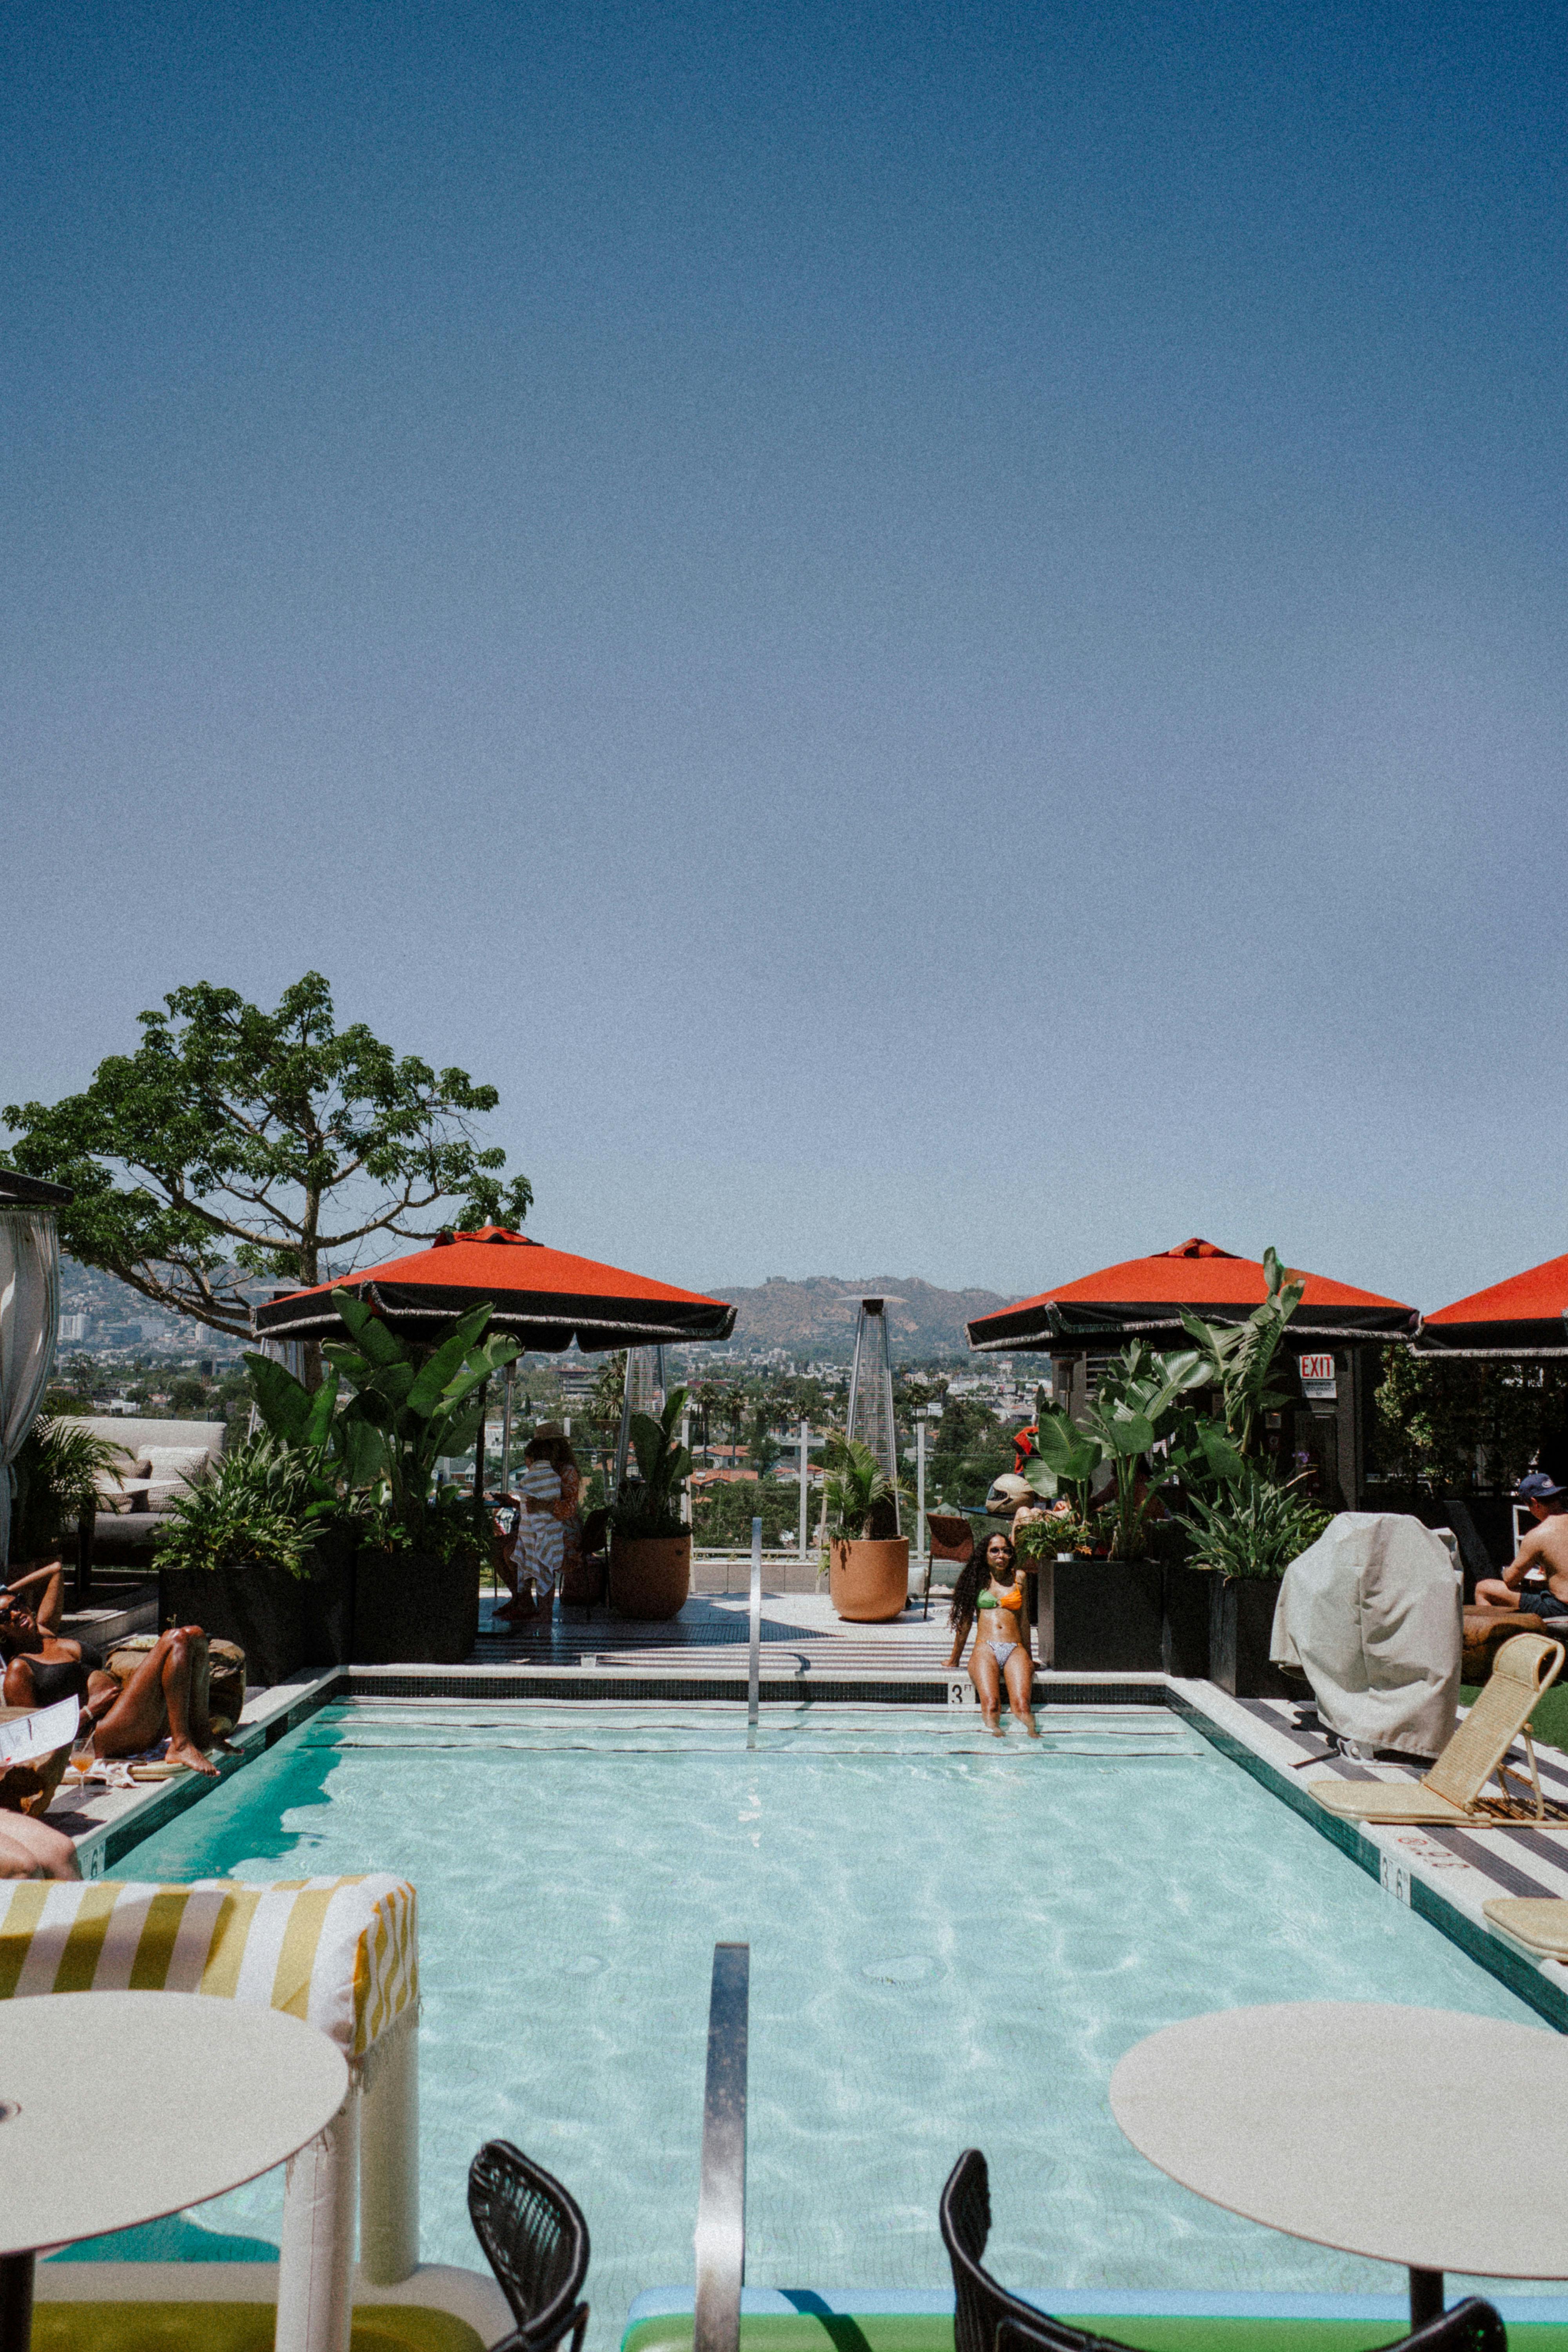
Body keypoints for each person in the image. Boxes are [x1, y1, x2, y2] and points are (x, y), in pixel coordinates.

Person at [0, 1559, 223, 1779]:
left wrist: (5, 1591)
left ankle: (202, 1734)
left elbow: (56, 1570)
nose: (15, 1614)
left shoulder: (45, 1632)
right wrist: (89, 1711)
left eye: (17, 1605)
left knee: (195, 1635)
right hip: (95, 1735)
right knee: (174, 1639)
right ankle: (181, 1744)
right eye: (4, 1616)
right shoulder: (19, 1669)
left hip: (122, 1715)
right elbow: (32, 1740)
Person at [945, 1530, 1038, 1738]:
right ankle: (996, 1733)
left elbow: (1024, 1622)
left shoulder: (1020, 1578)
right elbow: (966, 1622)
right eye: (994, 1551)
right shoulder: (977, 1580)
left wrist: (1030, 1658)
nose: (1001, 1556)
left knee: (1022, 1707)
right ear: (985, 1555)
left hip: (1015, 1648)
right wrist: (954, 1659)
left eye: (1006, 1551)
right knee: (991, 1705)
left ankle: (1033, 1733)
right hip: (985, 1648)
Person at [1474, 1472, 1568, 1623]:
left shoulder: (1538, 1535)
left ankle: (1495, 1643)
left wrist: (1505, 1572)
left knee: (1484, 1588)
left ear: (1534, 1503)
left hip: (1561, 1608)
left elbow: (1511, 1581)